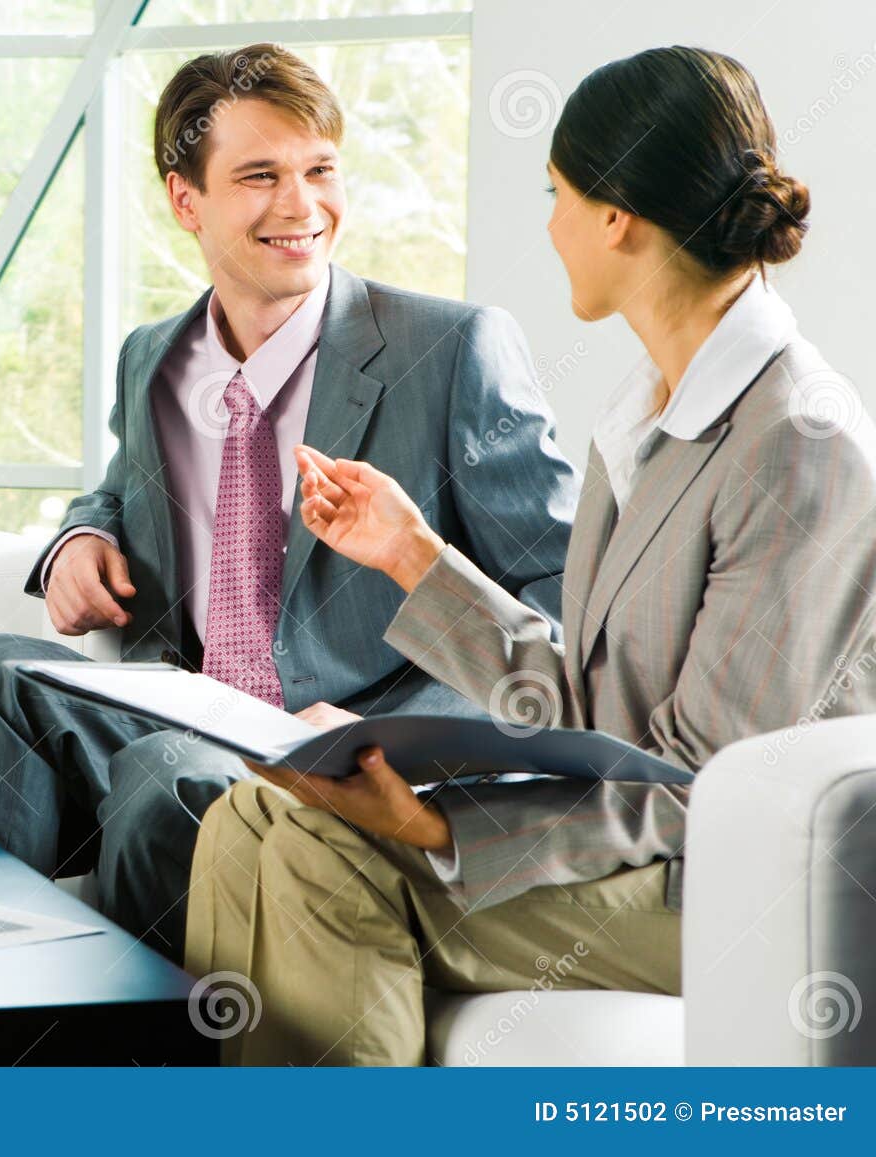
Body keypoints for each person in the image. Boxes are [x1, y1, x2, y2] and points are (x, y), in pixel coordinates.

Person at [186, 45, 876, 1065]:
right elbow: (593, 711)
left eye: (558, 195)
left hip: (733, 890)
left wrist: (440, 829)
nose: (550, 226)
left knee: (313, 847)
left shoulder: (798, 443)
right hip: (645, 844)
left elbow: (706, 783)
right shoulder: (647, 413)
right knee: (246, 815)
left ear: (616, 218)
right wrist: (413, 555)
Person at [0, 44, 580, 960]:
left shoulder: (452, 348)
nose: (302, 205)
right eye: (261, 175)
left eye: (320, 170)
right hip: (189, 707)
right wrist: (79, 538)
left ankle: (135, 1034)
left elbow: (557, 599)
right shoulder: (155, 357)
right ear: (185, 199)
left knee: (163, 775)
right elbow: (118, 489)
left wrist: (392, 733)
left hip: (352, 745)